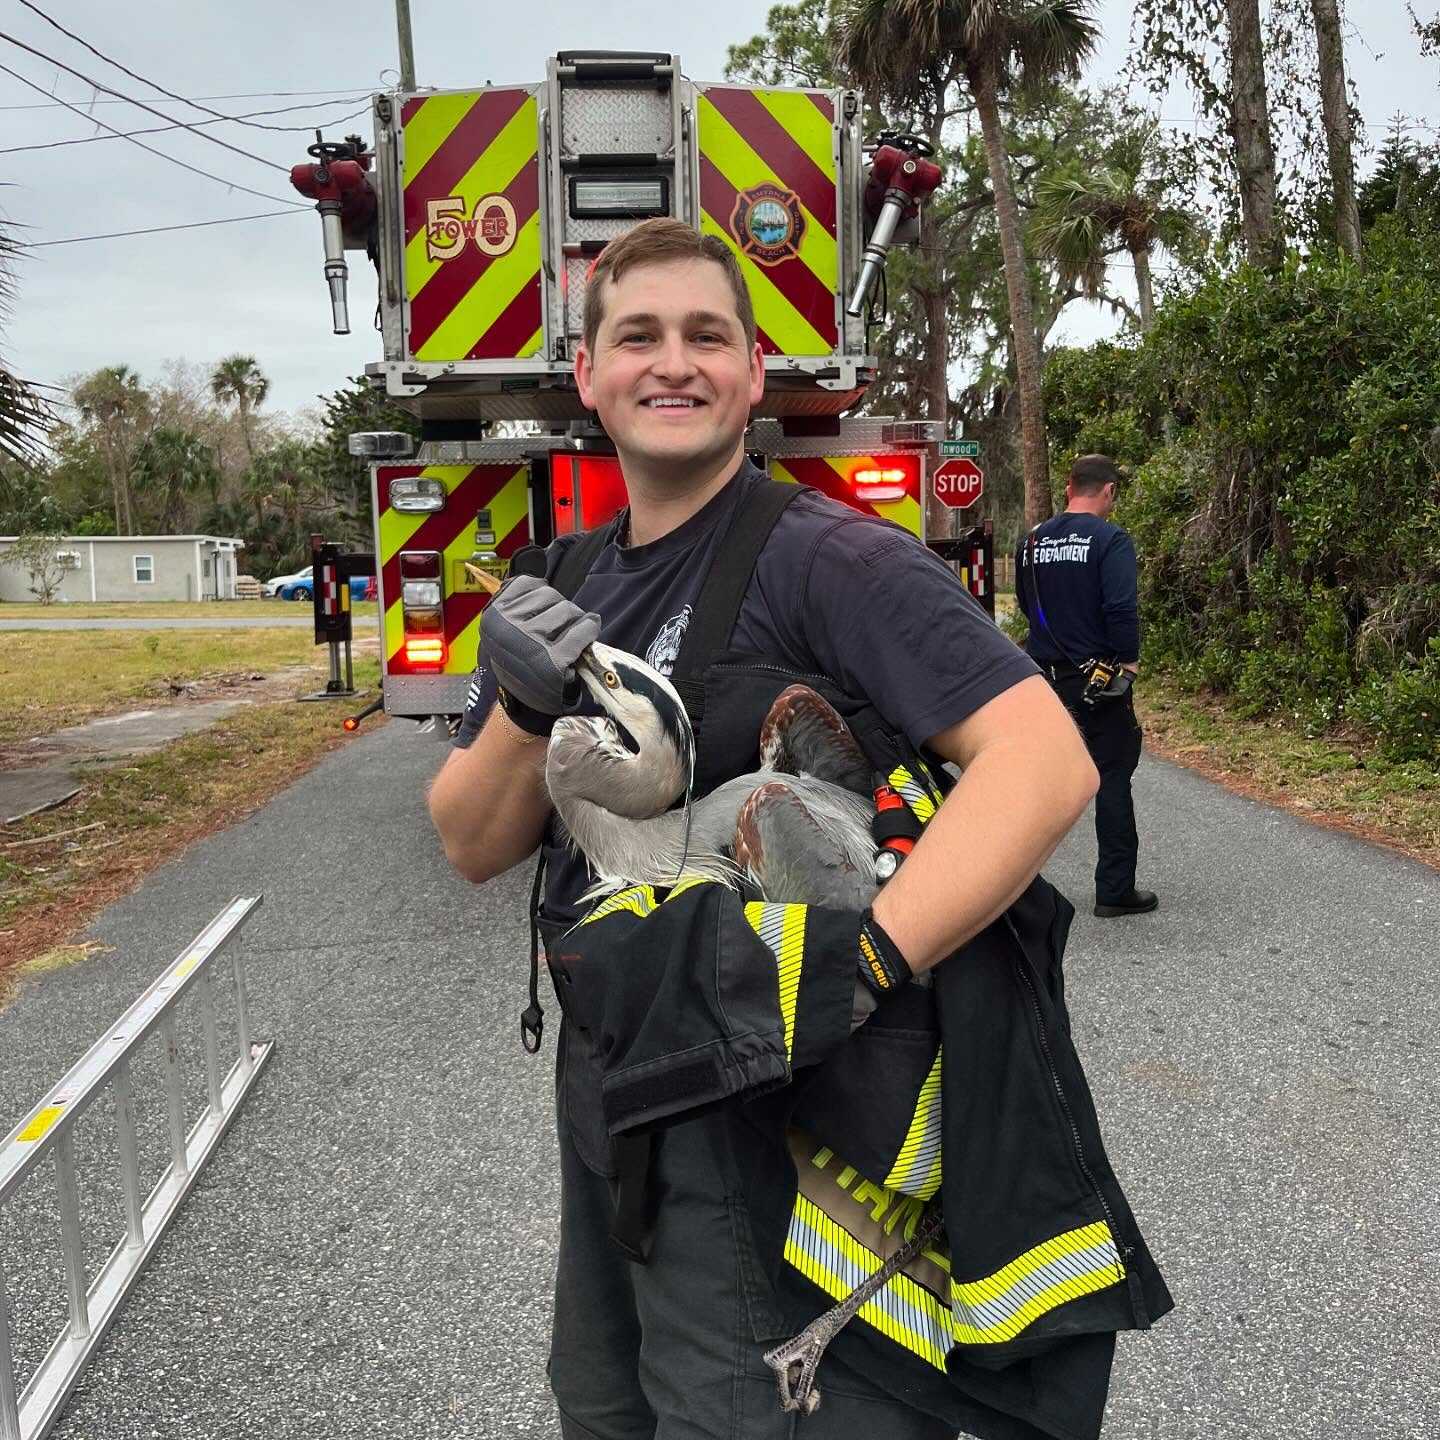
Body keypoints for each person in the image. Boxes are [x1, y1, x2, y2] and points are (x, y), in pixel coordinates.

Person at [428, 219, 1103, 1439]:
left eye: (707, 336)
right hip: (614, 1096)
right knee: (603, 1405)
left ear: (752, 375)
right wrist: (526, 706)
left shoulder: (830, 557)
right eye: (637, 336)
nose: (671, 362)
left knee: (739, 1413)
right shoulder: (561, 578)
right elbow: (472, 839)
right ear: (588, 373)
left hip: (768, 1119)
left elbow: (1045, 762)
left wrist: (872, 957)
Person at [1014, 454, 1157, 918]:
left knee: (1039, 786)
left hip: (1044, 680)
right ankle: (1114, 889)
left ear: (1070, 487)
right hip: (1097, 681)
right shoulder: (1111, 540)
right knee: (1111, 776)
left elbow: (1027, 604)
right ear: (1109, 490)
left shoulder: (1032, 542)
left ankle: (1010, 891)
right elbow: (1120, 608)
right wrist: (1128, 664)